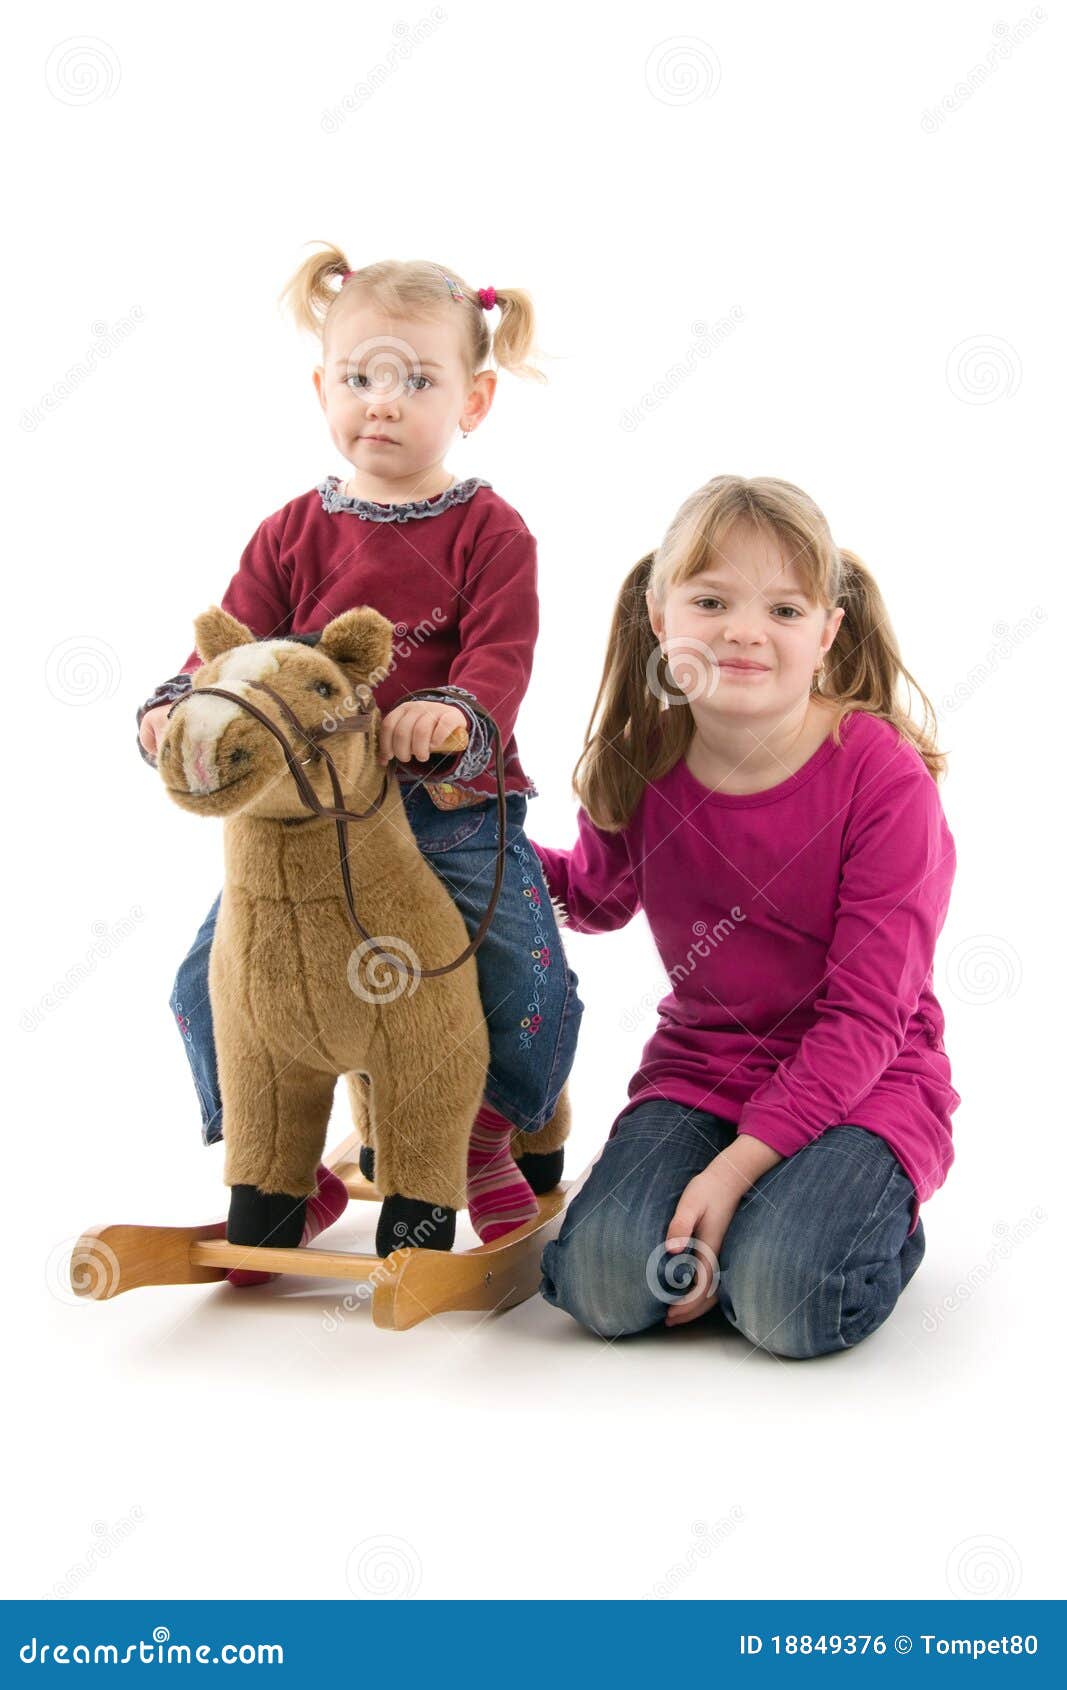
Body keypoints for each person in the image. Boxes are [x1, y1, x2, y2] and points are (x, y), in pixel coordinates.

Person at [136, 247, 583, 1264]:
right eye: (359, 378)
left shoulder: (490, 531)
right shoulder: (292, 530)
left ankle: (497, 1117)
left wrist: (449, 713)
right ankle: (268, 1151)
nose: (381, 403)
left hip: (447, 807)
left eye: (416, 380)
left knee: (516, 964)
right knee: (213, 973)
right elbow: (232, 647)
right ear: (321, 387)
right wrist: (178, 706)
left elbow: (501, 655)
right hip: (307, 821)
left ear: (472, 399)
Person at [534, 474, 958, 1358]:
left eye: (783, 610)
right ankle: (766, 1216)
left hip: (863, 1083)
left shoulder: (881, 780)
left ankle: (842, 1217)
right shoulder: (642, 756)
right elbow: (593, 896)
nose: (742, 631)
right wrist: (464, 838)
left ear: (826, 632)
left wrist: (735, 1170)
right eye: (710, 600)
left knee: (783, 1299)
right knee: (605, 1285)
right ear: (659, 615)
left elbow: (866, 1017)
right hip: (704, 1072)